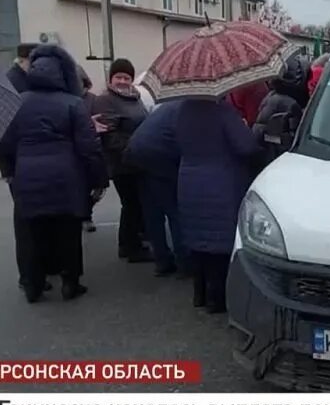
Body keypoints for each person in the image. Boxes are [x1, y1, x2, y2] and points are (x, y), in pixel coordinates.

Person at [0, 45, 109, 303]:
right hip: (66, 176)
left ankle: (33, 284)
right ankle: (70, 282)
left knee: (30, 231)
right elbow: (88, 147)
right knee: (68, 229)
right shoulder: (73, 104)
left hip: (27, 175)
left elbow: (3, 143)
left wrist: (10, 171)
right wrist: (98, 179)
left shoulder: (18, 102)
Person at [176, 97, 260, 313]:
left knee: (197, 237)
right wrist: (244, 127)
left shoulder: (182, 110)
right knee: (218, 241)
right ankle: (217, 299)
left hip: (189, 179)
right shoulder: (223, 111)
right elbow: (246, 146)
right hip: (220, 180)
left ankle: (199, 293)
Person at [0, 42, 53, 293]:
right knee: (27, 223)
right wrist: (7, 169)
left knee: (35, 221)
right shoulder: (13, 85)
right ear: (25, 60)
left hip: (26, 162)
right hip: (20, 164)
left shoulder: (22, 81)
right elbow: (2, 133)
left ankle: (37, 272)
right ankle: (30, 277)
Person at [92, 59, 153, 263]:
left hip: (138, 160)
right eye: (118, 77)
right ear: (111, 79)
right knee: (131, 203)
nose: (123, 81)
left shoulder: (134, 97)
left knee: (134, 204)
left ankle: (127, 244)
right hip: (122, 161)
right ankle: (132, 248)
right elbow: (109, 135)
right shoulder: (105, 100)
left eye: (127, 77)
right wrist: (135, 147)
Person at [124, 101, 187, 278]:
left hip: (135, 153)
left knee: (152, 211)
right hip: (159, 156)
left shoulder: (169, 106)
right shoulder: (188, 109)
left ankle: (162, 261)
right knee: (175, 210)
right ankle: (185, 262)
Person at [252, 55, 310, 167]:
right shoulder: (290, 104)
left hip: (268, 159)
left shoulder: (271, 97)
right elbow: (295, 140)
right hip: (281, 160)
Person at [79, 69, 104, 233]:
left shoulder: (93, 99)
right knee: (81, 187)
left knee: (98, 190)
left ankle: (86, 211)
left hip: (95, 149)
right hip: (77, 151)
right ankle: (85, 217)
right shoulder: (68, 99)